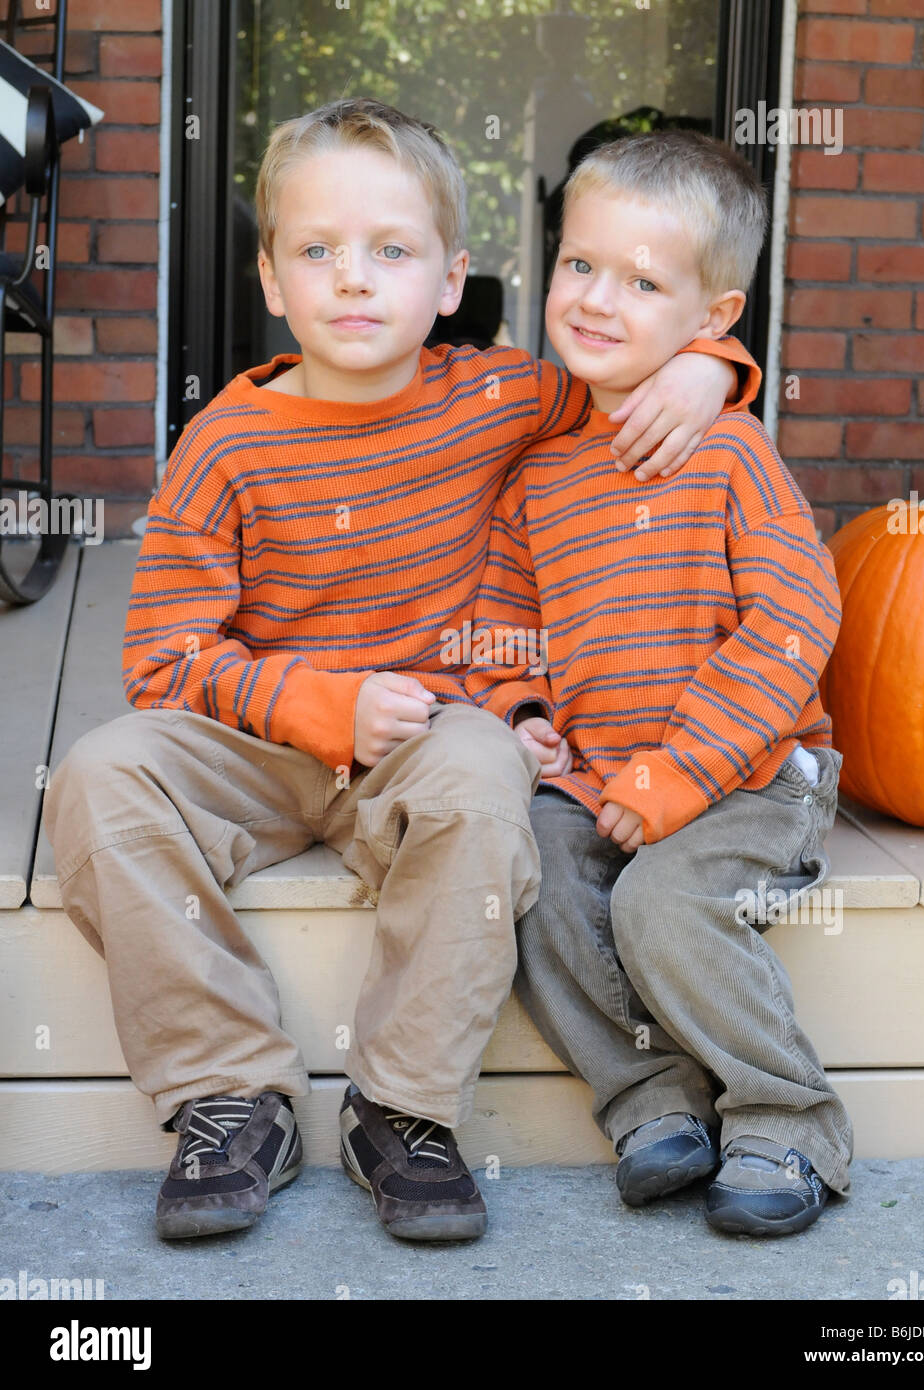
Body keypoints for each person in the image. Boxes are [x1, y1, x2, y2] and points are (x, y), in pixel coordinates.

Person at [41, 99, 759, 1244]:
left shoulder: (501, 394)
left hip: (431, 732)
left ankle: (402, 1107)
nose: (353, 280)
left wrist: (712, 372)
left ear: (449, 279)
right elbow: (163, 657)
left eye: (390, 251)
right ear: (270, 278)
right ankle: (229, 1093)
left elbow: (628, 353)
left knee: (486, 780)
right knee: (98, 775)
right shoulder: (223, 442)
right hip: (262, 742)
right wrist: (314, 703)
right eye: (316, 250)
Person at [467, 128, 853, 1238]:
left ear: (712, 322)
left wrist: (682, 773)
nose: (595, 298)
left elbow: (795, 622)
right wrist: (526, 715)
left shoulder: (730, 452)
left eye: (642, 282)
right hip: (601, 774)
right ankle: (654, 1101)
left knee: (661, 898)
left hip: (752, 775)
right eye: (580, 266)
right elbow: (501, 623)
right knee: (529, 867)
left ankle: (785, 1116)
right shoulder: (537, 470)